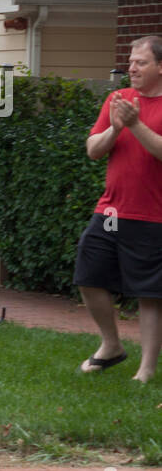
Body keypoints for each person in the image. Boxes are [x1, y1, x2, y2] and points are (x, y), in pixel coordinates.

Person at [73, 35, 162, 382]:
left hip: (153, 216)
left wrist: (135, 124)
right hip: (110, 213)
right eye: (131, 60)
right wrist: (116, 126)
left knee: (150, 293)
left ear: (160, 67)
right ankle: (111, 345)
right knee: (88, 274)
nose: (132, 67)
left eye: (140, 62)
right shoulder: (118, 99)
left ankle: (146, 371)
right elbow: (93, 149)